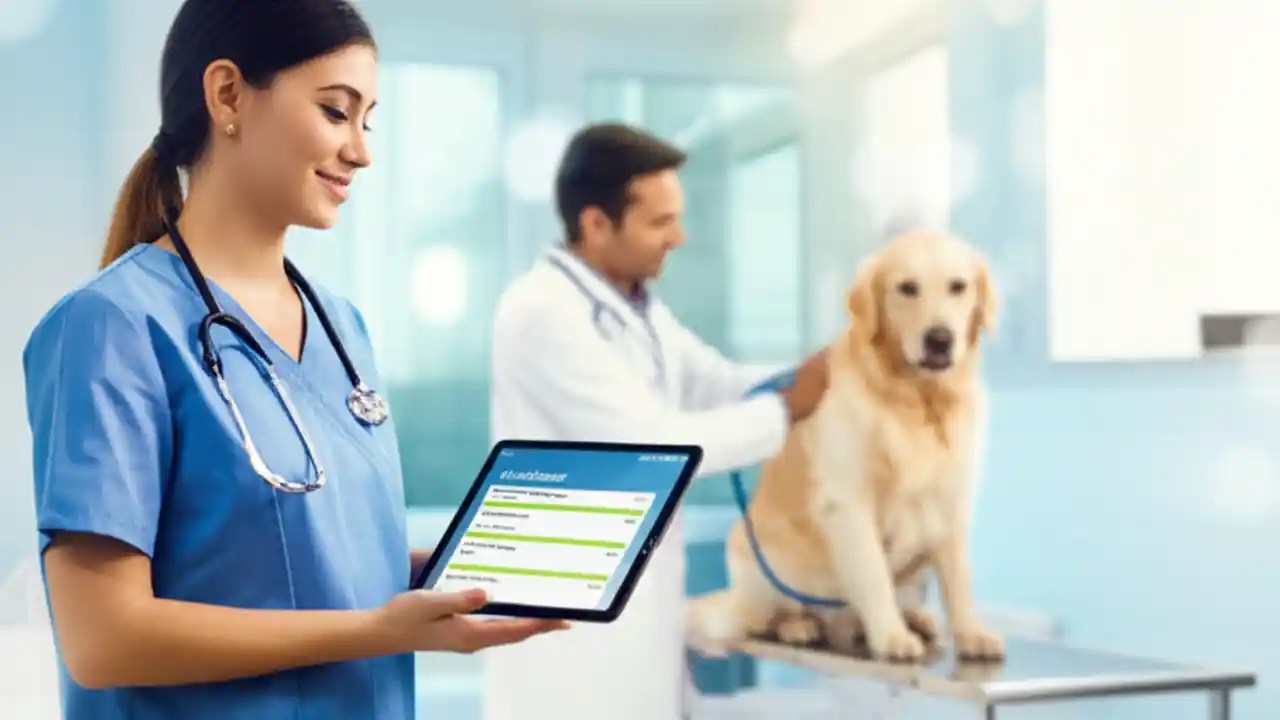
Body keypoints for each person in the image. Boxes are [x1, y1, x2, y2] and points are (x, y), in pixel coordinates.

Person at [22, 2, 565, 718]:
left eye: (368, 121)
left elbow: (291, 563)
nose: (362, 152)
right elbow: (103, 639)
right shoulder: (112, 326)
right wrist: (378, 630)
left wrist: (441, 577)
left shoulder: (343, 327)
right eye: (336, 112)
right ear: (228, 95)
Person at [485, 123, 830, 720]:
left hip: (633, 609)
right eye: (660, 222)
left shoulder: (636, 307)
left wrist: (821, 374)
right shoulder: (542, 310)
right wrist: (784, 409)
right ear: (597, 224)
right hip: (569, 622)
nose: (679, 237)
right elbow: (649, 445)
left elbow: (719, 383)